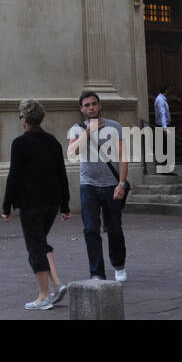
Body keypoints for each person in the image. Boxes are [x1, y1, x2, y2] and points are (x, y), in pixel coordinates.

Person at [3, 98, 71, 310]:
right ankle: (57, 284)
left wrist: (6, 206)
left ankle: (43, 296)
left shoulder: (20, 143)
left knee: (35, 247)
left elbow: (14, 175)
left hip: (31, 203)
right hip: (52, 202)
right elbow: (62, 174)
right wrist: (65, 205)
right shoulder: (53, 142)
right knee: (40, 242)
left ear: (24, 119)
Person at [67, 92, 129, 281]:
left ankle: (118, 265)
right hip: (89, 186)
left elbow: (122, 157)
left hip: (111, 185)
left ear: (100, 105)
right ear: (81, 109)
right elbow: (72, 152)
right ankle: (96, 272)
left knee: (114, 228)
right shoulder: (76, 129)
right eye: (86, 105)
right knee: (91, 229)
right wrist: (88, 133)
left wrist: (122, 183)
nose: (91, 108)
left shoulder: (114, 126)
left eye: (94, 104)